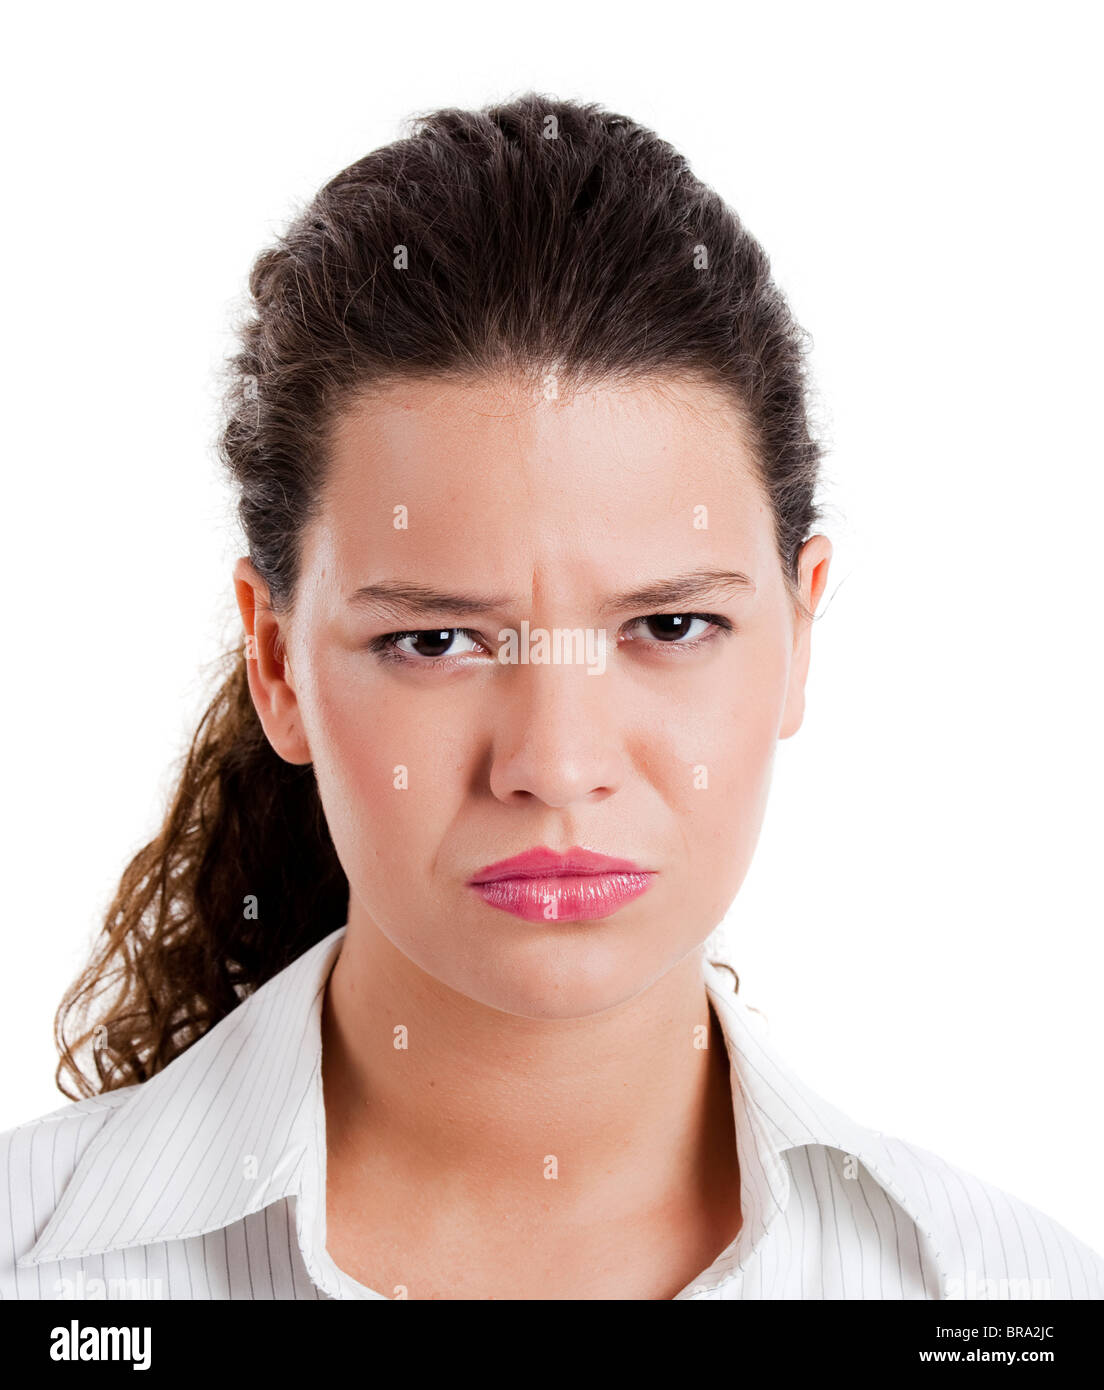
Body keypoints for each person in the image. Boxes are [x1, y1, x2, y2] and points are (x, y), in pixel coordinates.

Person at [2, 93, 1100, 1301]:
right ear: (277, 664)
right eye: (434, 639)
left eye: (670, 625)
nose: (556, 761)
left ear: (797, 632)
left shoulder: (1003, 1302)